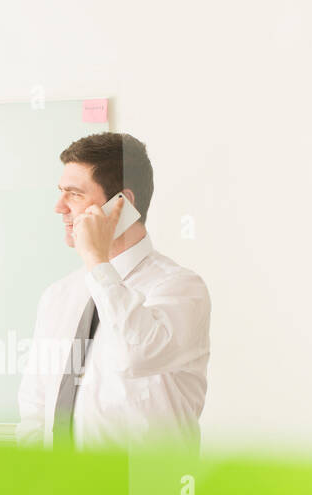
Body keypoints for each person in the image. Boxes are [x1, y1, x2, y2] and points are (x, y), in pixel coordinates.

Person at [17, 132, 211, 452]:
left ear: (123, 204)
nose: (59, 207)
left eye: (74, 194)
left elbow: (137, 353)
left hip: (142, 483)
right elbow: (36, 406)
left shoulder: (181, 288)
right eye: (60, 193)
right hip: (58, 482)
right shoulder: (58, 296)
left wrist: (97, 259)